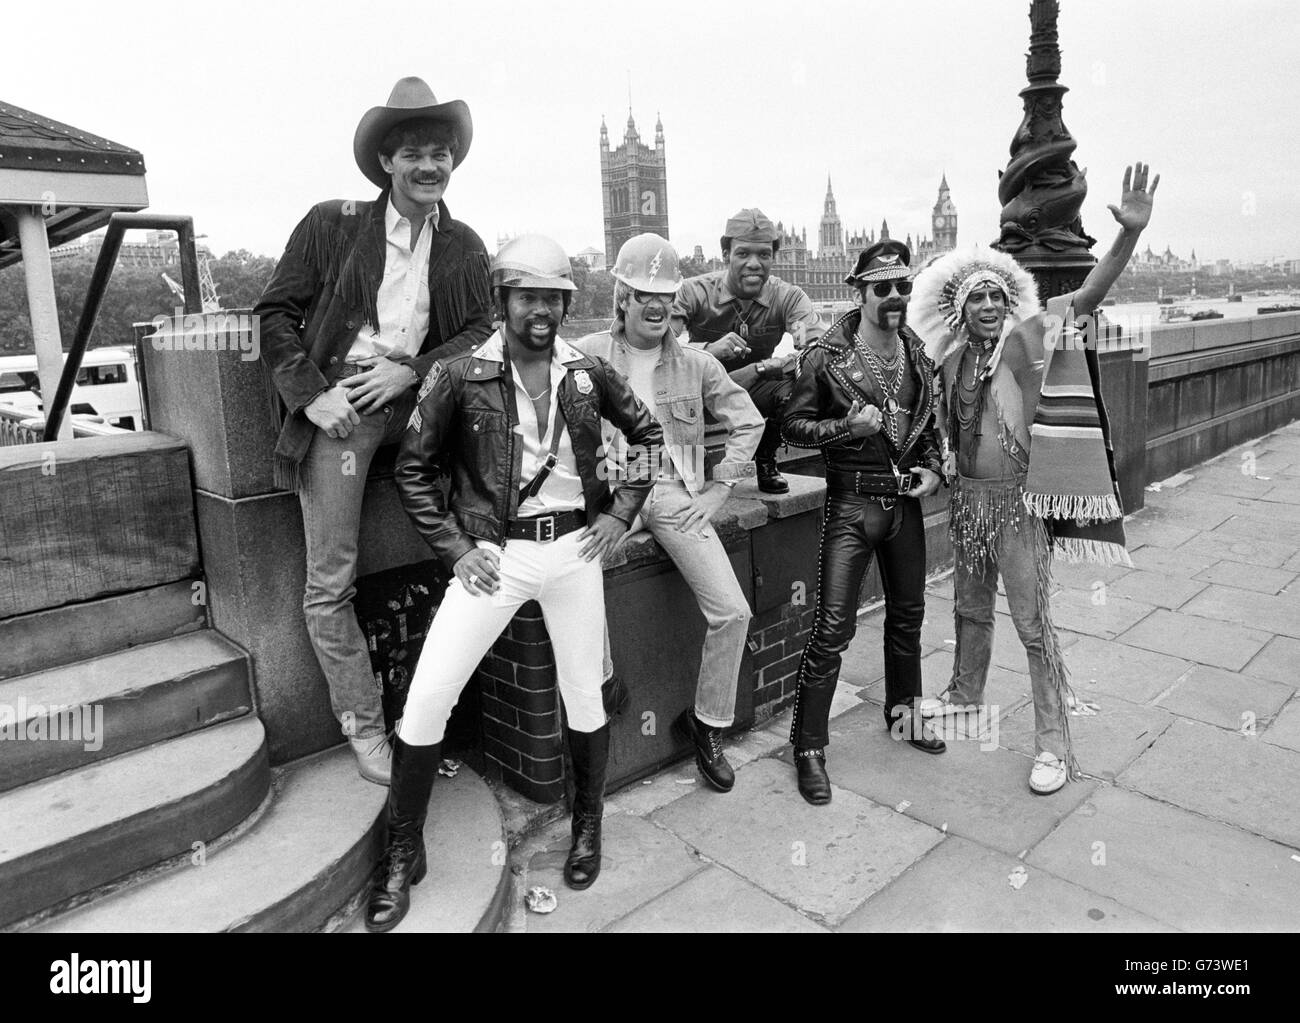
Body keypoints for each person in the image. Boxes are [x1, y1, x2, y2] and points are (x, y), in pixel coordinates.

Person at [367, 235, 662, 931]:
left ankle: (588, 824)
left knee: (585, 694)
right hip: (494, 558)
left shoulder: (586, 373)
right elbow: (412, 469)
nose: (541, 309)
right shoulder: (458, 375)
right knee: (429, 696)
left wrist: (621, 512)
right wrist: (455, 549)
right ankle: (403, 849)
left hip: (573, 551)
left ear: (566, 303)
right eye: (527, 296)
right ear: (504, 300)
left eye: (553, 298)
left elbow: (647, 437)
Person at [254, 77, 492, 785]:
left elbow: (481, 331)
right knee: (330, 583)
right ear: (387, 162)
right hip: (344, 407)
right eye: (415, 153)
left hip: (416, 403)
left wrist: (411, 371)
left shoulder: (462, 244)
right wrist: (311, 398)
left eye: (441, 153)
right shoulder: (331, 225)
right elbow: (273, 315)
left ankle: (459, 710)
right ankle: (364, 727)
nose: (431, 166)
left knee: (482, 536)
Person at [912, 164, 1159, 795]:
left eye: (997, 296)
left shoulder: (1026, 338)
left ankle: (1053, 744)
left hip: (1018, 508)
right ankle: (966, 693)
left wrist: (1128, 236)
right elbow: (946, 433)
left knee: (1030, 623)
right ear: (960, 309)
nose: (990, 305)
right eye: (978, 298)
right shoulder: (949, 363)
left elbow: (1087, 298)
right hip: (968, 506)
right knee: (969, 607)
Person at [574, 234, 764, 791]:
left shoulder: (698, 365)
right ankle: (606, 682)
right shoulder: (586, 352)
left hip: (675, 491)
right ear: (622, 298)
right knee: (578, 570)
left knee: (733, 611)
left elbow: (748, 421)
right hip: (615, 491)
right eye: (642, 294)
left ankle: (706, 723)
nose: (655, 306)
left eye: (665, 295)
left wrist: (718, 492)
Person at [782, 240, 946, 806]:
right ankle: (808, 748)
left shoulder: (918, 355)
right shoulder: (826, 357)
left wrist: (931, 466)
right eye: (883, 288)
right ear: (861, 292)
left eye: (903, 286)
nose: (896, 297)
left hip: (904, 507)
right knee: (832, 630)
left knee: (908, 617)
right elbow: (792, 428)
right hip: (852, 506)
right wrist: (845, 432)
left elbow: (926, 428)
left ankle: (904, 716)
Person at [672, 209, 824, 493]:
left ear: (773, 257)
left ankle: (764, 457)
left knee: (804, 384)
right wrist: (708, 351)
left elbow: (818, 352)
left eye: (764, 255)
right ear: (726, 253)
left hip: (753, 390)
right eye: (743, 254)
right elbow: (658, 350)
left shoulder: (788, 297)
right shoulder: (693, 292)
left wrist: (762, 368)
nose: (754, 264)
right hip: (697, 394)